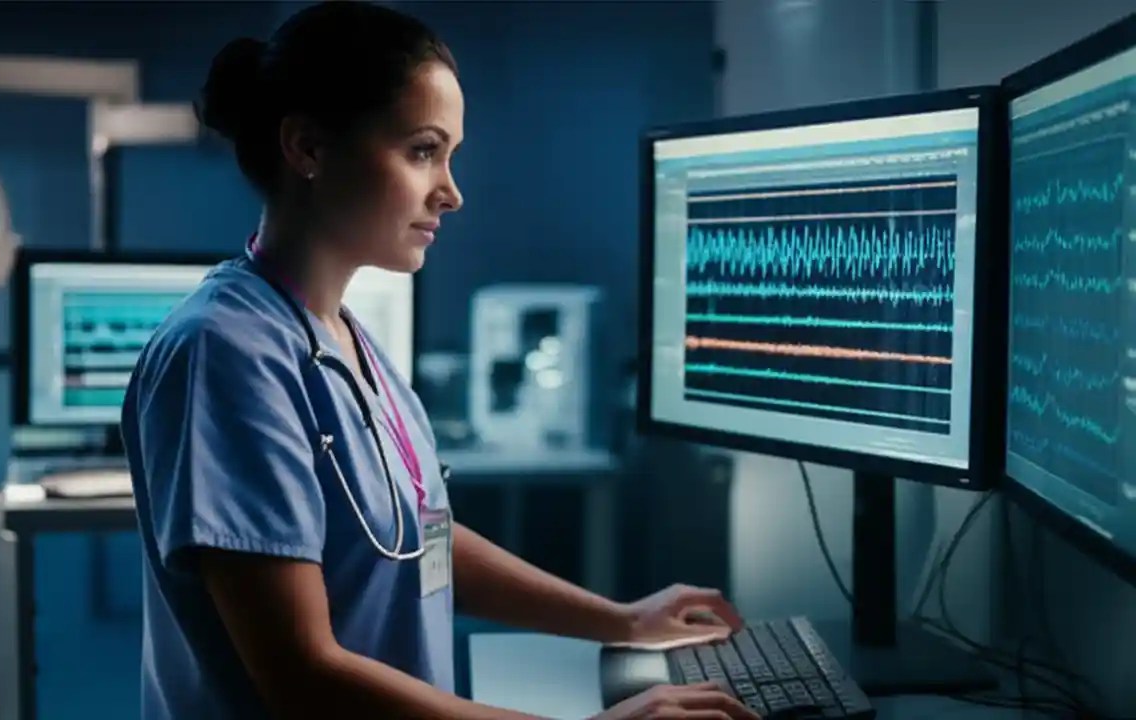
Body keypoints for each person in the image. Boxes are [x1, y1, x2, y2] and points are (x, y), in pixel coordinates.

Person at [120, 2, 759, 718]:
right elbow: (303, 676)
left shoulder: (348, 344)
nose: (452, 192)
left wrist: (621, 619)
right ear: (307, 147)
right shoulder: (224, 354)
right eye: (423, 151)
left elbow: (421, 542)